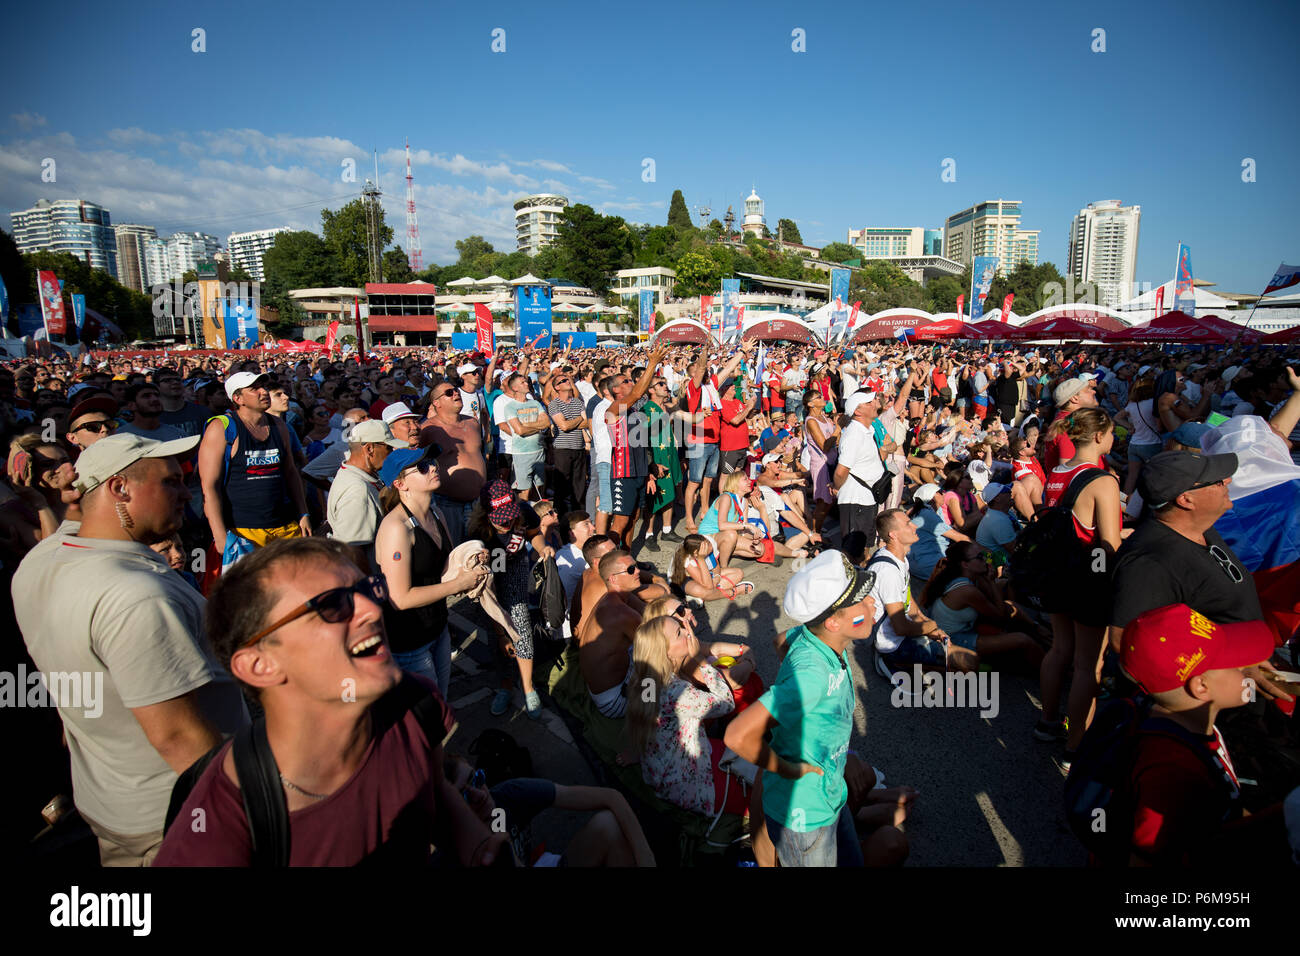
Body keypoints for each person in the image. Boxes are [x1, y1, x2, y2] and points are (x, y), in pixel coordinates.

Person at [154, 537, 510, 867]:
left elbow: (433, 791)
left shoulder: (413, 702)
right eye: (333, 605)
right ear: (260, 666)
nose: (372, 610)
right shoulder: (217, 825)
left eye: (367, 590)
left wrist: (480, 847)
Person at [13, 433, 249, 866]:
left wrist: (67, 502)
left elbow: (77, 528)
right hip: (182, 818)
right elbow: (178, 736)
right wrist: (259, 810)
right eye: (171, 482)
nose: (186, 493)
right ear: (119, 488)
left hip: (113, 802)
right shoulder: (136, 596)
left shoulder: (43, 561)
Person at [723, 549, 877, 867]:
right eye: (862, 601)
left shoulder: (814, 635)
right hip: (806, 819)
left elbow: (782, 639)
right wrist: (788, 769)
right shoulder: (811, 677)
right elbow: (738, 735)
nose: (873, 603)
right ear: (833, 622)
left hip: (831, 797)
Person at [1099, 604, 1282, 866]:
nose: (1251, 668)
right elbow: (1146, 858)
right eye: (1238, 665)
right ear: (1201, 686)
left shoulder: (1180, 718)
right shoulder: (1171, 769)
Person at [1109, 450, 1291, 702]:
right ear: (1186, 500)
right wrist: (1228, 664)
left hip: (1246, 678)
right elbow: (1123, 641)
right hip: (1207, 700)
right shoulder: (1149, 563)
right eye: (1217, 481)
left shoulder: (1201, 529)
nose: (1227, 481)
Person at [624, 613, 764, 840]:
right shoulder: (676, 692)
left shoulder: (645, 677)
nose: (689, 633)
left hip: (662, 772)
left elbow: (650, 716)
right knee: (766, 791)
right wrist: (698, 657)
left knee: (749, 761)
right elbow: (726, 701)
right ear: (666, 652)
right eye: (680, 633)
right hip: (692, 783)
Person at [1036, 408, 1124, 768]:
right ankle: (1076, 745)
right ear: (1101, 436)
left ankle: (1047, 722)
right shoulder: (1102, 480)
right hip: (1088, 577)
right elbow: (1109, 544)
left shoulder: (1057, 472)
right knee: (1089, 664)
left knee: (1060, 650)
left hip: (1057, 573)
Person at [375, 447, 489, 697]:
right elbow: (400, 598)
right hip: (410, 641)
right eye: (423, 467)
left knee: (442, 700)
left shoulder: (436, 513)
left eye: (432, 461)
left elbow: (443, 567)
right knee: (427, 713)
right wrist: (459, 584)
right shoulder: (397, 528)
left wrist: (470, 559)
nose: (434, 467)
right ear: (400, 484)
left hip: (438, 627)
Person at [444, 753, 655, 866]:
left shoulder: (508, 795)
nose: (479, 794)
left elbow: (611, 797)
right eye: (464, 795)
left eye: (476, 778)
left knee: (609, 824)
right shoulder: (459, 851)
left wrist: (646, 858)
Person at [198, 371, 312, 561]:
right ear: (238, 398)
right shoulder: (221, 427)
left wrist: (303, 512)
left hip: (284, 526)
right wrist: (219, 535)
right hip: (244, 531)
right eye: (255, 389)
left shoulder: (279, 425)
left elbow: (291, 472)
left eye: (264, 387)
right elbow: (209, 487)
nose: (263, 392)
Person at [868, 508, 972, 678]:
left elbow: (909, 602)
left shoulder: (899, 559)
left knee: (963, 653)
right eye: (908, 524)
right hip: (894, 646)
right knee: (969, 663)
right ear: (893, 535)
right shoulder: (888, 572)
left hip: (901, 635)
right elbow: (900, 627)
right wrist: (931, 627)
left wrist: (931, 625)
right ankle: (895, 664)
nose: (914, 527)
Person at [920, 541, 1046, 671]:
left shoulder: (966, 576)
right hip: (954, 639)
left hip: (963, 629)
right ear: (965, 564)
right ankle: (1052, 670)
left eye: (984, 555)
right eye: (980, 557)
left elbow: (997, 603)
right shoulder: (966, 590)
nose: (985, 559)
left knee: (1011, 606)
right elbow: (999, 615)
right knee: (1023, 640)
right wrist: (991, 582)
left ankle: (1040, 632)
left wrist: (988, 580)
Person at [576, 549, 652, 719]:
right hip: (615, 702)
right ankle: (651, 711)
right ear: (613, 579)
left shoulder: (613, 597)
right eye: (631, 569)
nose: (638, 571)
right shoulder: (620, 613)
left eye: (636, 566)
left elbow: (647, 612)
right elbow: (656, 647)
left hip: (603, 691)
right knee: (658, 670)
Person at [326, 419, 405, 570]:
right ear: (369, 449)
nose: (391, 452)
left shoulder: (355, 476)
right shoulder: (358, 490)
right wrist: (370, 587)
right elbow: (353, 550)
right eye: (388, 447)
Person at [420, 379, 488, 545]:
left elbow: (482, 454)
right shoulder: (428, 429)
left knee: (481, 549)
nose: (456, 393)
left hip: (479, 502)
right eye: (449, 393)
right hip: (448, 504)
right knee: (455, 551)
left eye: (456, 390)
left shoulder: (472, 423)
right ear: (436, 403)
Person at [832, 390, 886, 561]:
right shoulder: (854, 434)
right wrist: (836, 487)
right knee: (853, 552)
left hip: (866, 499)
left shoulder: (865, 430)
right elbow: (841, 471)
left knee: (865, 547)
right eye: (869, 403)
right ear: (858, 411)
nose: (874, 404)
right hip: (856, 500)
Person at [641, 375, 683, 550]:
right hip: (657, 456)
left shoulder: (665, 407)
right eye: (660, 384)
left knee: (670, 492)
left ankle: (667, 530)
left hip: (670, 453)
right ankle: (649, 534)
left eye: (665, 384)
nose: (665, 387)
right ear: (651, 390)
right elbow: (644, 437)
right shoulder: (646, 409)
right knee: (654, 495)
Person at [906, 483, 970, 595]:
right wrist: (985, 553)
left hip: (922, 557)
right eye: (941, 492)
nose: (944, 493)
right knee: (969, 573)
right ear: (934, 496)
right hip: (927, 561)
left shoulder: (930, 510)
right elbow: (960, 537)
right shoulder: (927, 514)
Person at [499, 372, 551, 500]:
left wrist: (527, 426)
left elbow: (546, 422)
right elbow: (519, 430)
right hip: (522, 454)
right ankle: (525, 517)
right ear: (515, 388)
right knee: (524, 491)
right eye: (522, 382)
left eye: (526, 381)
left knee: (539, 488)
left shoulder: (535, 403)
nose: (526, 383)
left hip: (538, 451)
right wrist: (537, 426)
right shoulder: (510, 407)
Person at [547, 371, 589, 516]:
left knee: (580, 486)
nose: (568, 381)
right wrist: (578, 419)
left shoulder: (578, 402)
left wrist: (572, 422)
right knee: (562, 487)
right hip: (563, 449)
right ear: (557, 388)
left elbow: (586, 423)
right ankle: (561, 518)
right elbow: (563, 426)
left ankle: (579, 516)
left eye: (568, 379)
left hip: (579, 447)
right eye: (563, 380)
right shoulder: (554, 404)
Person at [670, 533, 754, 603]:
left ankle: (708, 596)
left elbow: (716, 567)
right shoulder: (687, 560)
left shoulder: (708, 542)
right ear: (696, 553)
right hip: (685, 580)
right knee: (703, 591)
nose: (711, 546)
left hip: (707, 576)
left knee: (738, 573)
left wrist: (717, 577)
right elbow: (708, 586)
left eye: (709, 543)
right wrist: (701, 559)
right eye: (708, 546)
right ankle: (733, 591)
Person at [802, 389, 840, 532]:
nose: (823, 398)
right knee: (823, 503)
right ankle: (815, 534)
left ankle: (815, 531)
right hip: (821, 464)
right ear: (811, 404)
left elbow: (835, 440)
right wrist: (838, 428)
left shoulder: (825, 418)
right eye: (819, 397)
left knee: (829, 501)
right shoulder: (811, 421)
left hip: (831, 461)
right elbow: (824, 445)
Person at [116, 383, 184, 442]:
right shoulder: (119, 438)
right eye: (146, 396)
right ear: (131, 405)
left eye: (157, 395)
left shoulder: (178, 435)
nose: (155, 399)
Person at [973, 481, 1018, 558]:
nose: (1010, 492)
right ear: (997, 499)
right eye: (1006, 491)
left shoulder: (1006, 512)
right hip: (1001, 564)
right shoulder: (997, 520)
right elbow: (1014, 549)